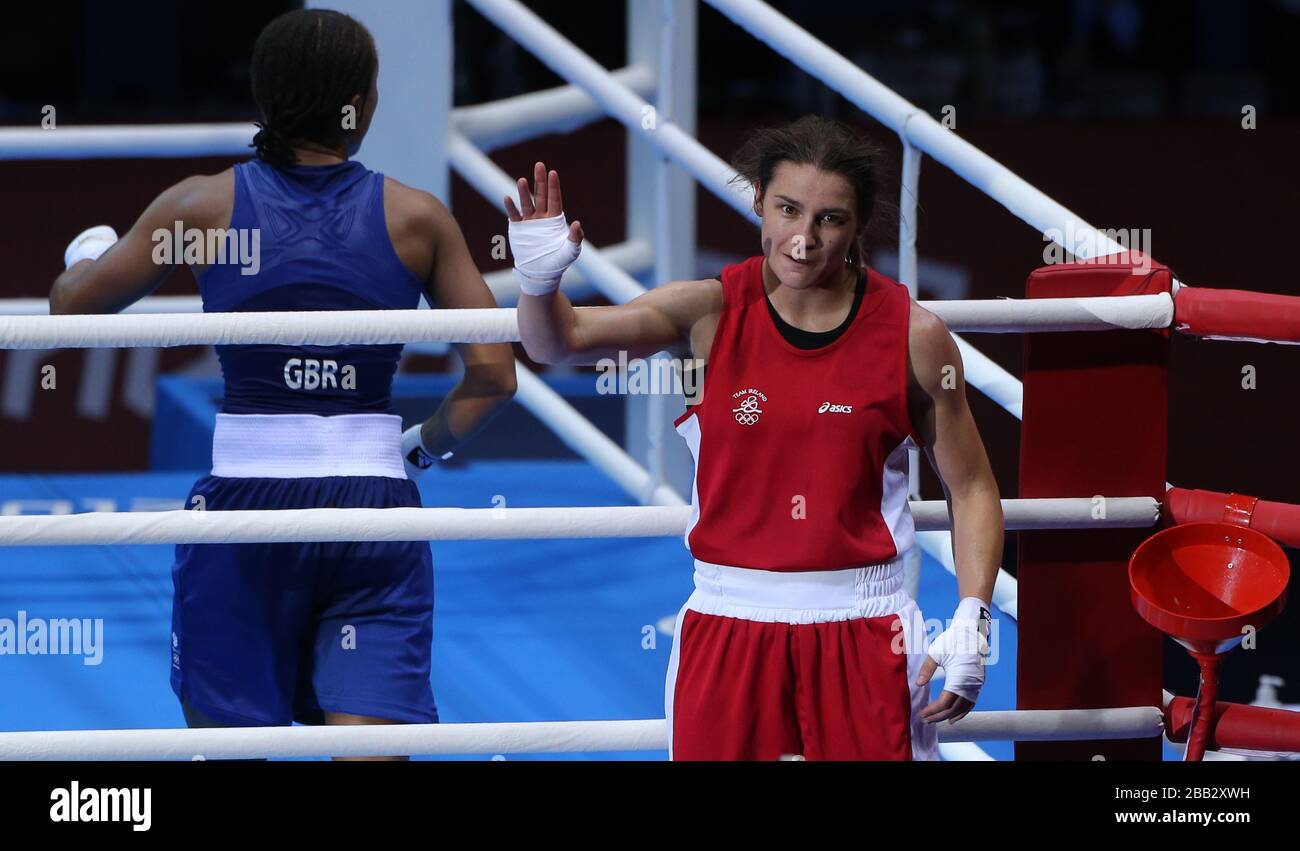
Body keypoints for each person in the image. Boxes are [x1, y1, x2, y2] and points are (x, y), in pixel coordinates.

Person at [50, 9, 517, 760]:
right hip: (374, 515)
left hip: (246, 511)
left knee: (235, 751)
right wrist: (419, 452)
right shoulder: (417, 217)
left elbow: (72, 307)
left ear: (265, 100)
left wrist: (87, 251)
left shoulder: (200, 207)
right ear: (360, 105)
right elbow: (494, 376)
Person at [509, 116, 1005, 760]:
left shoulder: (913, 335)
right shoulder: (707, 313)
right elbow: (557, 342)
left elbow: (970, 489)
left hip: (866, 625)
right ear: (757, 203)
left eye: (828, 219)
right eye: (788, 211)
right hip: (727, 620)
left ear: (857, 227)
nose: (802, 240)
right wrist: (539, 283)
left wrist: (973, 616)